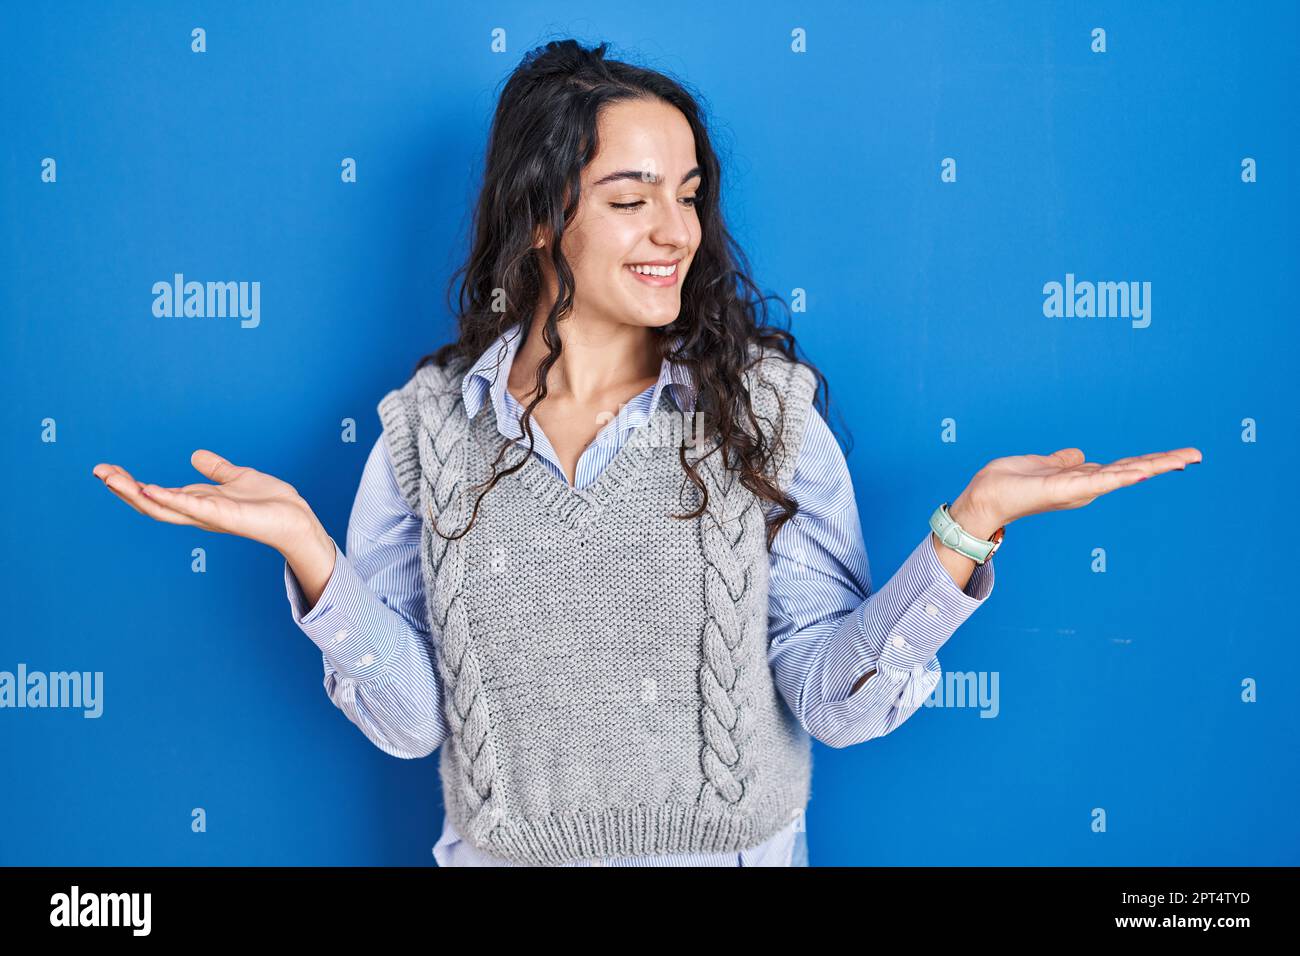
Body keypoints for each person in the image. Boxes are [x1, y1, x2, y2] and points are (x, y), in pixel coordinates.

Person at [91, 39, 1201, 867]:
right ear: (539, 218)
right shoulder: (426, 427)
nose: (675, 229)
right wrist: (308, 553)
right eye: (629, 198)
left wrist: (966, 534)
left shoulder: (763, 411)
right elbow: (412, 724)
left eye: (688, 194)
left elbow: (834, 701)